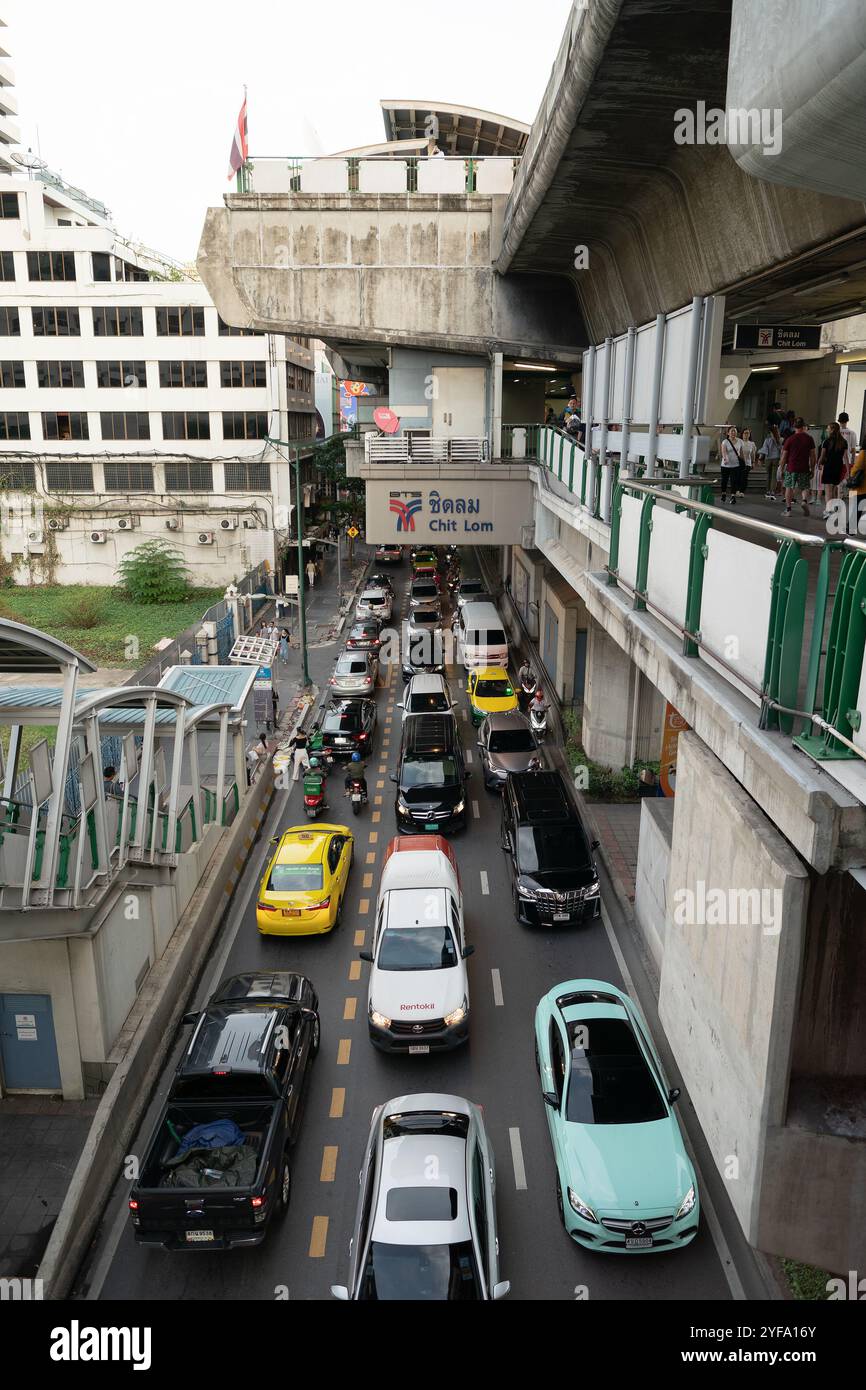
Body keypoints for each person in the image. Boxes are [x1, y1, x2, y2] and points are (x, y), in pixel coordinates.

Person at [779, 418, 815, 517]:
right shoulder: (809, 439)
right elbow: (813, 456)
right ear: (803, 427)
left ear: (794, 427)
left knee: (789, 487)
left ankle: (788, 509)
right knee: (805, 487)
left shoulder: (790, 439)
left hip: (791, 468)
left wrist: (781, 468)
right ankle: (804, 501)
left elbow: (784, 456)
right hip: (804, 467)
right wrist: (812, 468)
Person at [817, 421, 848, 518]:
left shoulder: (826, 441)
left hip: (828, 467)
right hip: (838, 467)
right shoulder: (843, 442)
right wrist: (847, 469)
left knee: (828, 490)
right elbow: (846, 457)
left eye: (828, 428)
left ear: (832, 430)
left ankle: (828, 511)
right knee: (834, 490)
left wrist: (818, 463)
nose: (827, 430)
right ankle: (833, 509)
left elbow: (822, 456)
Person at [719, 426, 744, 504]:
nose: (734, 432)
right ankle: (723, 493)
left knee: (734, 481)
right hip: (725, 465)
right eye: (732, 431)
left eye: (735, 431)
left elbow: (741, 453)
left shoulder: (740, 441)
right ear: (728, 433)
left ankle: (733, 496)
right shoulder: (725, 442)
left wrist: (743, 461)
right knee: (724, 480)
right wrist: (725, 458)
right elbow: (723, 452)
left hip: (736, 465)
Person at [758, 426, 782, 499]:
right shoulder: (780, 440)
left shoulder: (767, 440)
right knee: (774, 476)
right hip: (776, 458)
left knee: (768, 475)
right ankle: (772, 491)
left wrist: (760, 458)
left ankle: (768, 491)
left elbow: (764, 450)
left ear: (770, 432)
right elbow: (781, 449)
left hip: (768, 458)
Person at [738, 428, 756, 496]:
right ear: (742, 434)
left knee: (744, 478)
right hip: (738, 462)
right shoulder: (739, 441)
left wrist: (753, 462)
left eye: (747, 433)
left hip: (747, 463)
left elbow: (753, 454)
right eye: (745, 433)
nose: (746, 434)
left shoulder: (752, 443)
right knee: (738, 477)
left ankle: (742, 491)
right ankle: (737, 490)